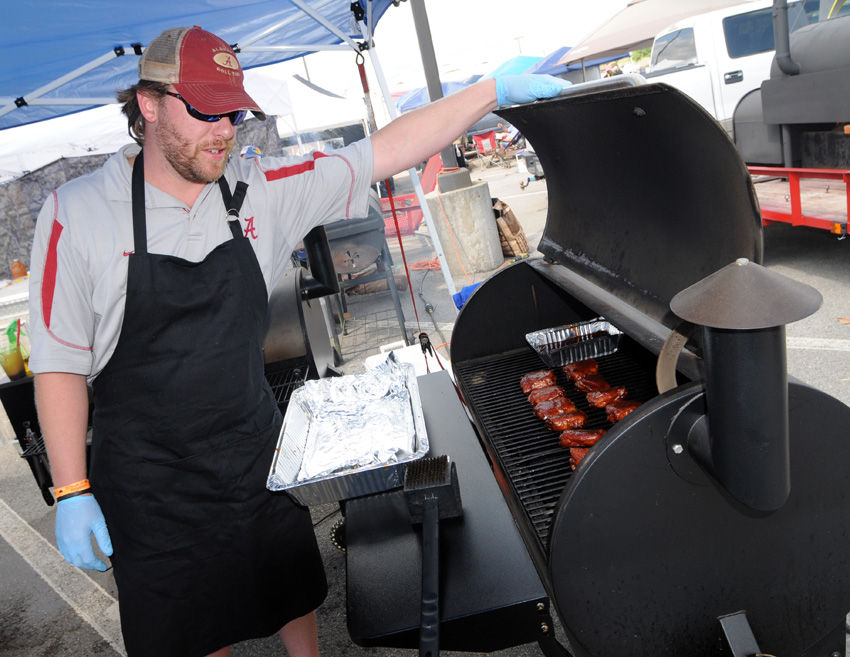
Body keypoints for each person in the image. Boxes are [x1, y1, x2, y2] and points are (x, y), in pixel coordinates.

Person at [28, 25, 570, 657]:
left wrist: (490, 91)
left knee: (289, 594)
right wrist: (71, 490)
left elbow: (383, 151)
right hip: (152, 486)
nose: (225, 130)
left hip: (253, 452)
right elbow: (59, 364)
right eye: (204, 111)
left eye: (232, 111)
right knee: (193, 632)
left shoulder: (258, 190)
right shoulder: (78, 211)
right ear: (148, 105)